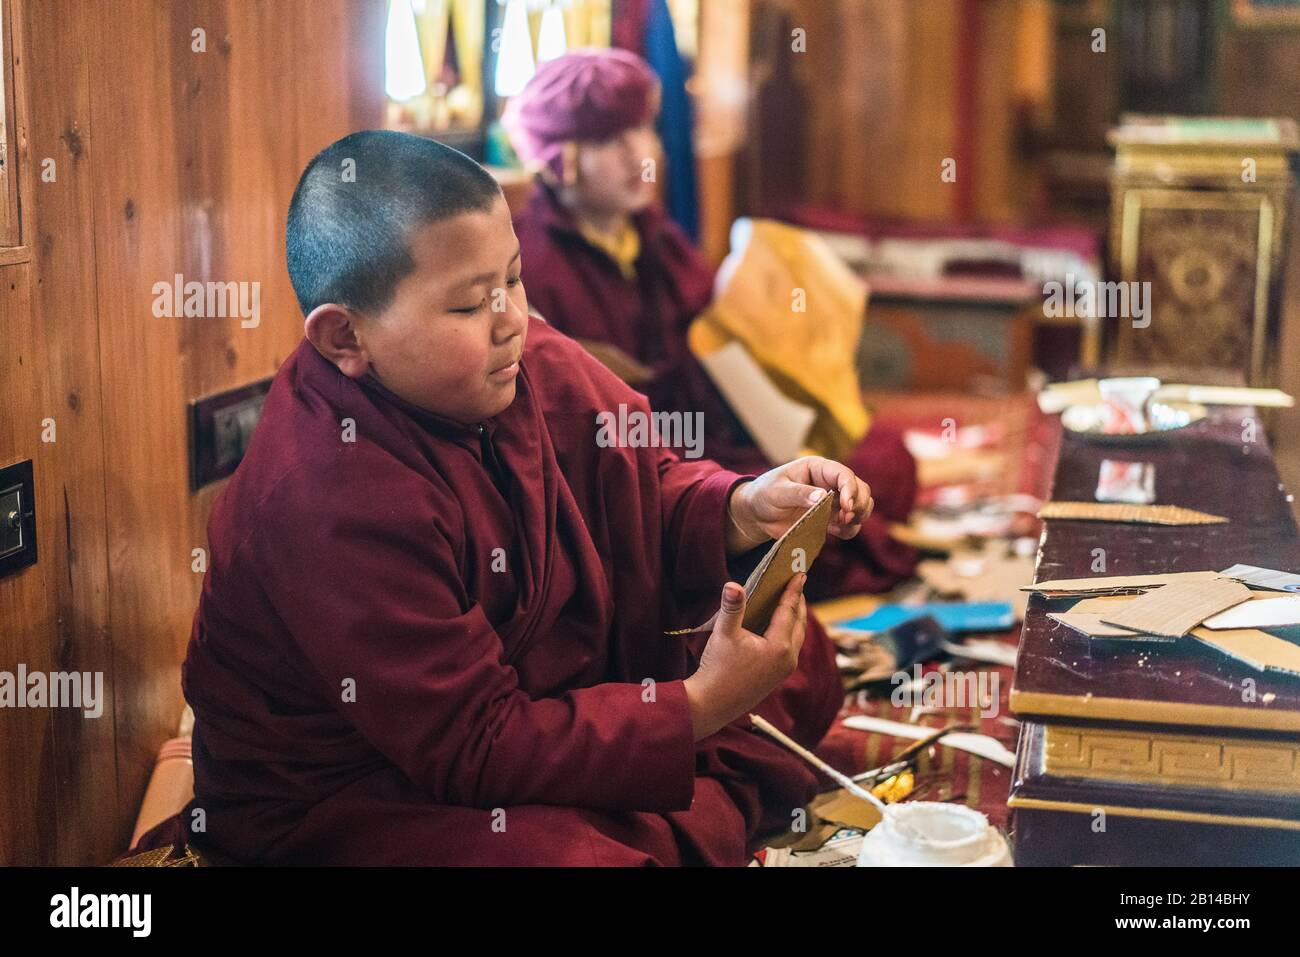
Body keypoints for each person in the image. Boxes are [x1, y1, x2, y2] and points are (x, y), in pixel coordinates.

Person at [178, 130, 874, 866]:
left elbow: (644, 483)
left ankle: (679, 798)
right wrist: (700, 706)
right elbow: (473, 745)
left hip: (541, 702)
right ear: (346, 336)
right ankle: (689, 797)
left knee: (801, 658)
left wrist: (740, 505)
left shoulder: (519, 359)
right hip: (360, 787)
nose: (511, 319)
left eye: (513, 279)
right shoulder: (326, 493)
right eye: (470, 305)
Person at [507, 49, 918, 598]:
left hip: (715, 429)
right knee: (798, 517)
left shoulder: (655, 233)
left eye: (644, 130)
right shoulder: (530, 260)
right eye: (610, 139)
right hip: (634, 464)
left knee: (883, 460)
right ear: (560, 158)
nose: (641, 154)